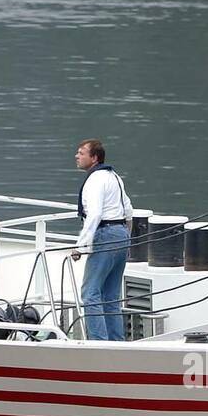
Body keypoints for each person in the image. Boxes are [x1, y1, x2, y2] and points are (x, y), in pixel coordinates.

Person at [73, 138, 133, 341]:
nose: (77, 156)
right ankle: (117, 343)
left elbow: (95, 213)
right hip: (121, 233)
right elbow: (128, 209)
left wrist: (80, 246)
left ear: (94, 157)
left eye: (81, 153)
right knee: (111, 296)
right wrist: (127, 237)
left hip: (105, 234)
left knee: (90, 294)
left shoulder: (96, 179)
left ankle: (98, 344)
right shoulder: (114, 176)